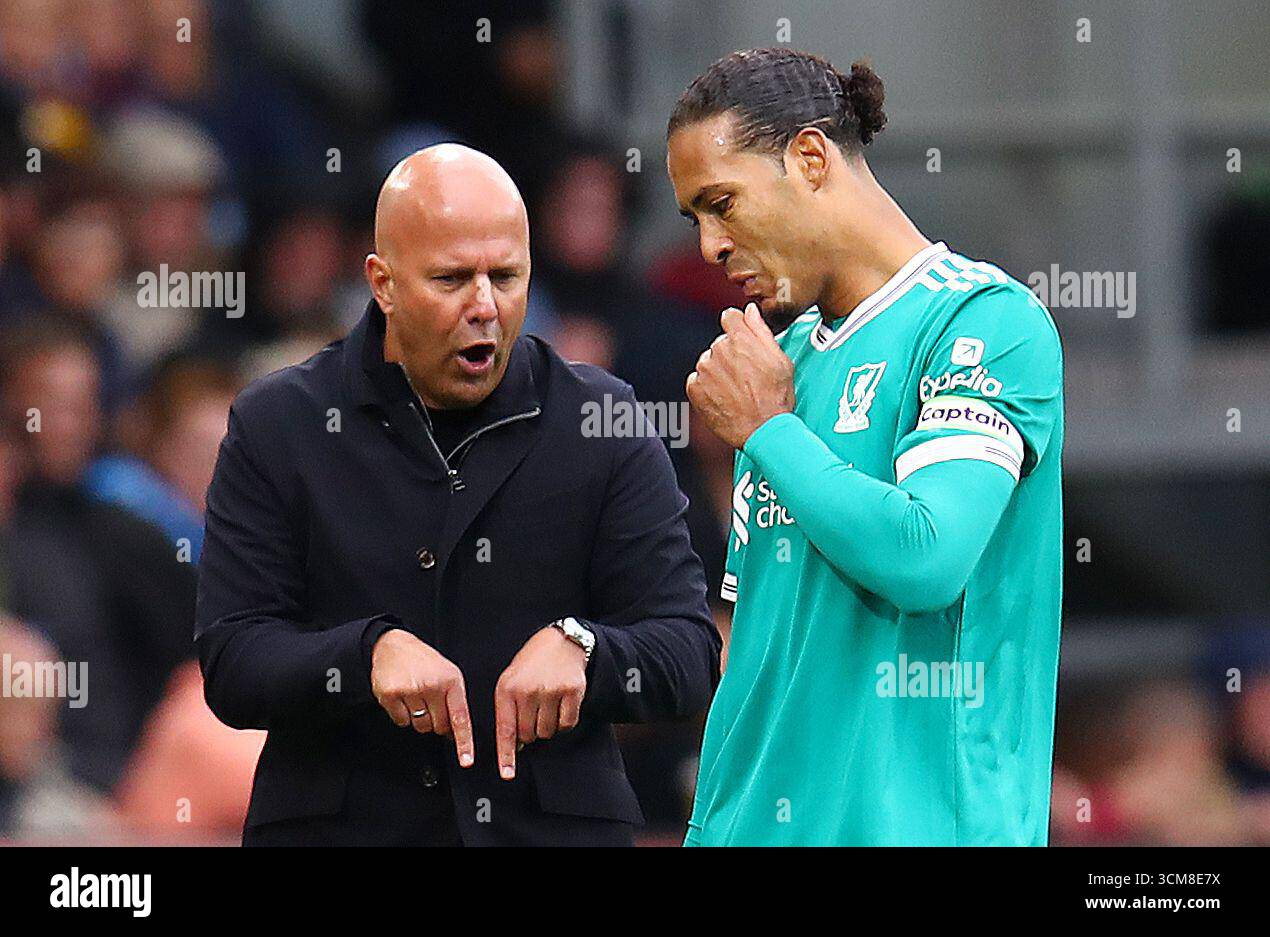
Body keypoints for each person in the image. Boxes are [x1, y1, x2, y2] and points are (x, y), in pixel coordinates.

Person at [195, 144, 720, 846]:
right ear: (382, 283)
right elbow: (233, 660)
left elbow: (687, 653)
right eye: (451, 280)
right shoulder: (278, 424)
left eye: (506, 277)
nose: (485, 307)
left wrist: (586, 648)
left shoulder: (605, 420)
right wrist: (364, 655)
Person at [667, 48, 1064, 845]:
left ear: (811, 158)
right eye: (694, 218)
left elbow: (926, 556)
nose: (710, 244)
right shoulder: (785, 366)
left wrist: (772, 432)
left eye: (722, 202)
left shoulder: (984, 322)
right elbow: (759, 660)